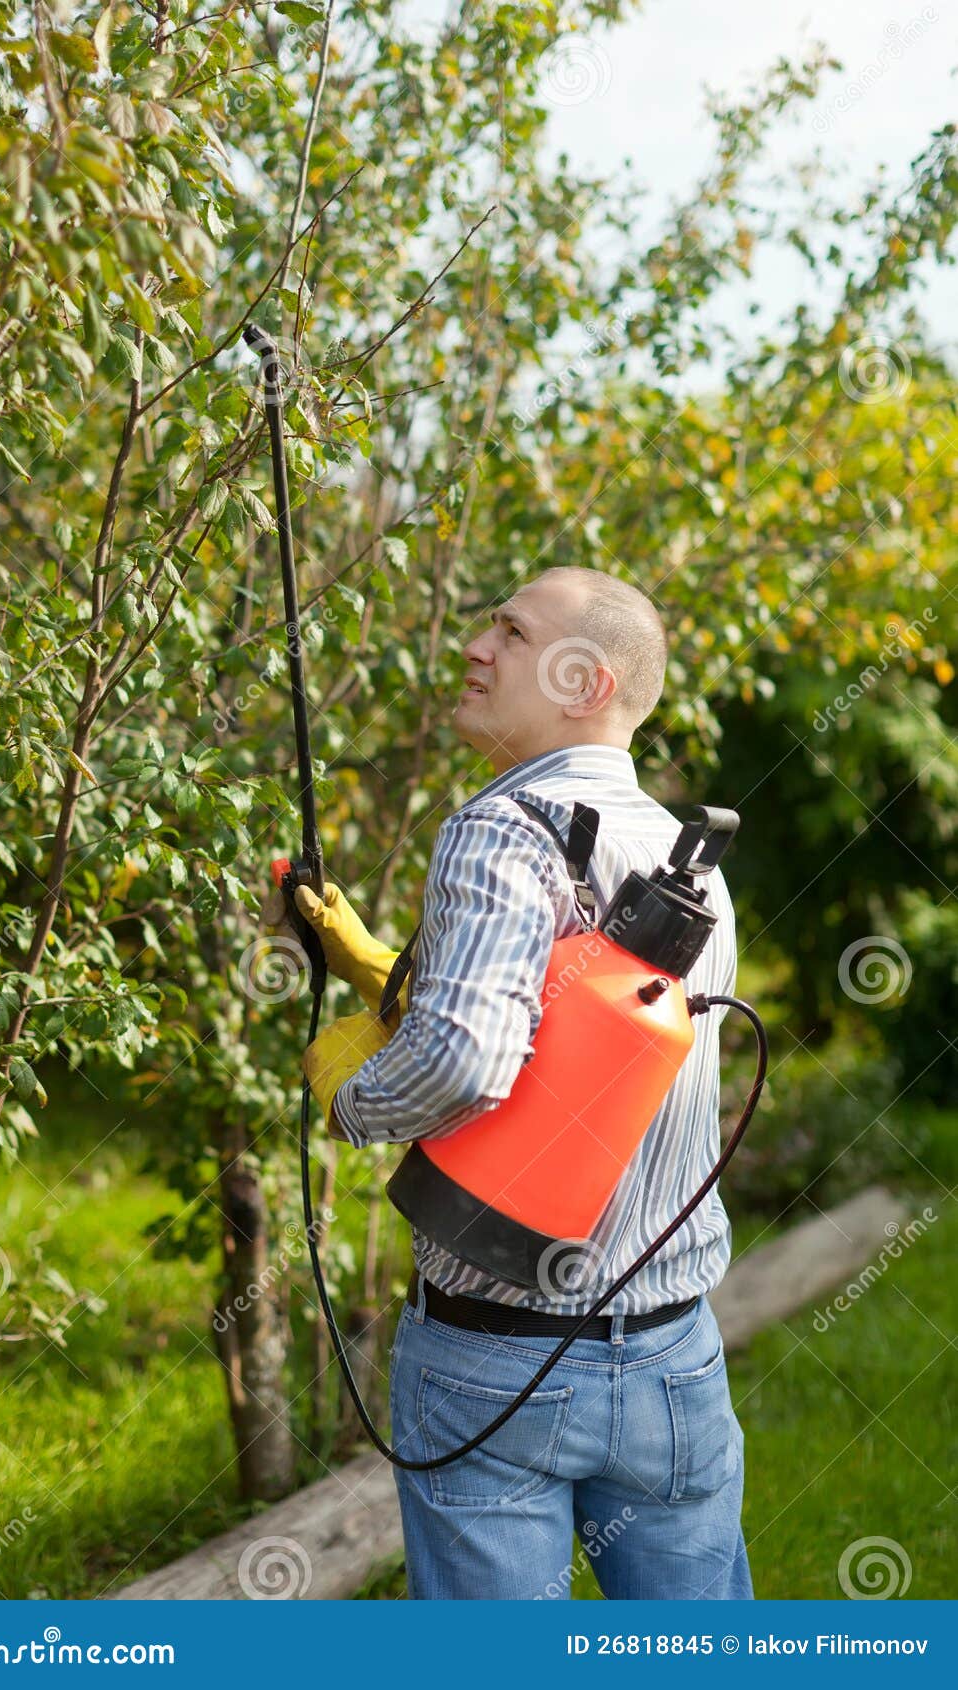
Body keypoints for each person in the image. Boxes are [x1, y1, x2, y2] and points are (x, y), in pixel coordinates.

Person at [264, 565, 752, 1602]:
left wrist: (351, 1093)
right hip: (671, 1357)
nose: (475, 649)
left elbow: (469, 1059)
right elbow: (574, 1033)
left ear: (585, 680)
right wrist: (375, 967)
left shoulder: (496, 828)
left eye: (510, 632)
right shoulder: (689, 856)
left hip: (498, 1363)